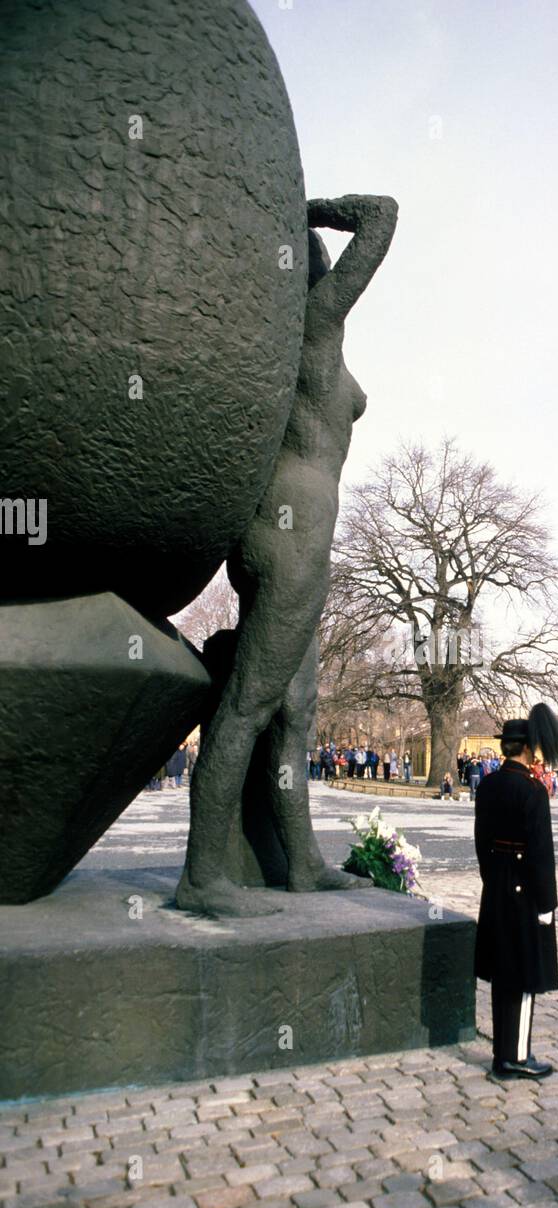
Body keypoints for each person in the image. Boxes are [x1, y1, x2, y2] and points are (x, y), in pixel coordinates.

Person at [176, 193, 398, 914]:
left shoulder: (290, 337)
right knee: (248, 705)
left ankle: (299, 860)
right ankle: (203, 875)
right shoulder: (313, 322)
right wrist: (308, 206)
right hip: (292, 525)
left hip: (300, 526)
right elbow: (383, 215)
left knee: (295, 708)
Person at [474, 704, 558, 1081]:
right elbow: (541, 853)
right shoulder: (532, 789)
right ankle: (517, 1056)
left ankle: (501, 1053)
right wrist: (547, 903)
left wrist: (493, 878)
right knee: (525, 977)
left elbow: (480, 842)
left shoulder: (489, 785)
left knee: (503, 975)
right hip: (526, 889)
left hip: (496, 886)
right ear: (528, 749)